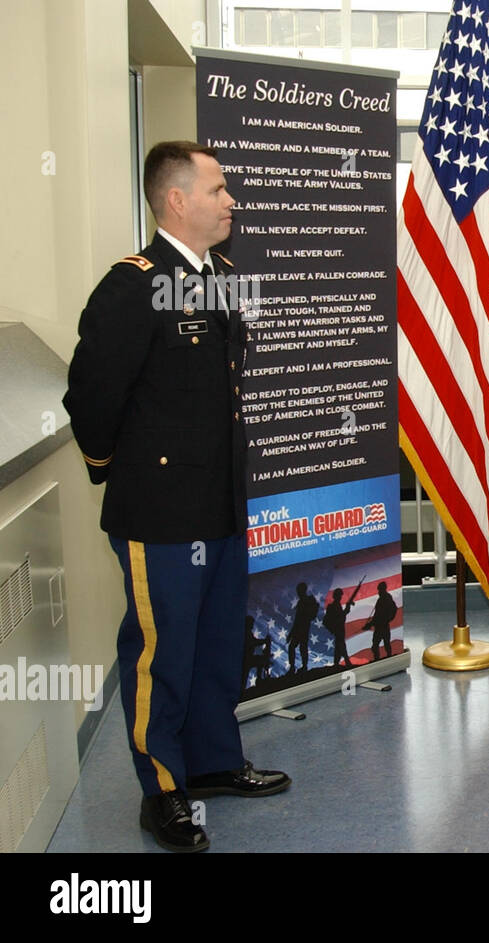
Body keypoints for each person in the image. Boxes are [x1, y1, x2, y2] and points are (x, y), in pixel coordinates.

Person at [63, 141, 290, 852]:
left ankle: (215, 761)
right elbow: (91, 397)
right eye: (220, 189)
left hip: (220, 505)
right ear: (177, 200)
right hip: (159, 513)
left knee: (217, 643)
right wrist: (114, 468)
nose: (232, 202)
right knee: (161, 652)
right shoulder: (132, 286)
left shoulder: (220, 275)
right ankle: (162, 789)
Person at [286, 581, 319, 674]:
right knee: (293, 647)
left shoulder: (307, 601)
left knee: (302, 647)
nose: (298, 592)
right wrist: (291, 633)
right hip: (299, 628)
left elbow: (307, 615)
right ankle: (293, 667)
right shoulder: (302, 602)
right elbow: (297, 619)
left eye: (299, 590)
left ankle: (303, 666)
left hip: (304, 627)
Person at [363, 582, 398, 661]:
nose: (378, 592)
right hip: (381, 625)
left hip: (382, 626)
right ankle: (380, 658)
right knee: (383, 644)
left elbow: (379, 615)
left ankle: (381, 659)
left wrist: (370, 624)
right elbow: (377, 615)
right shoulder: (383, 598)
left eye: (379, 589)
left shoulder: (385, 598)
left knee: (379, 645)